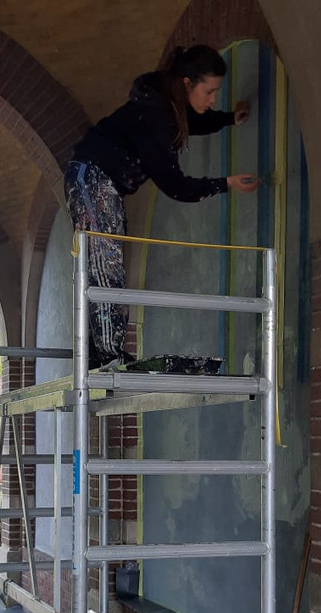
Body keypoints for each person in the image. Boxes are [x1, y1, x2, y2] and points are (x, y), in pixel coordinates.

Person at [65, 44, 259, 369]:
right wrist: (225, 184)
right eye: (209, 92)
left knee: (105, 261)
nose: (212, 99)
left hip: (98, 180)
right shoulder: (155, 116)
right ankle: (103, 356)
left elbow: (195, 121)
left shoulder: (167, 104)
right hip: (91, 179)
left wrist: (228, 119)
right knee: (105, 264)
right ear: (186, 83)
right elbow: (176, 186)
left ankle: (102, 353)